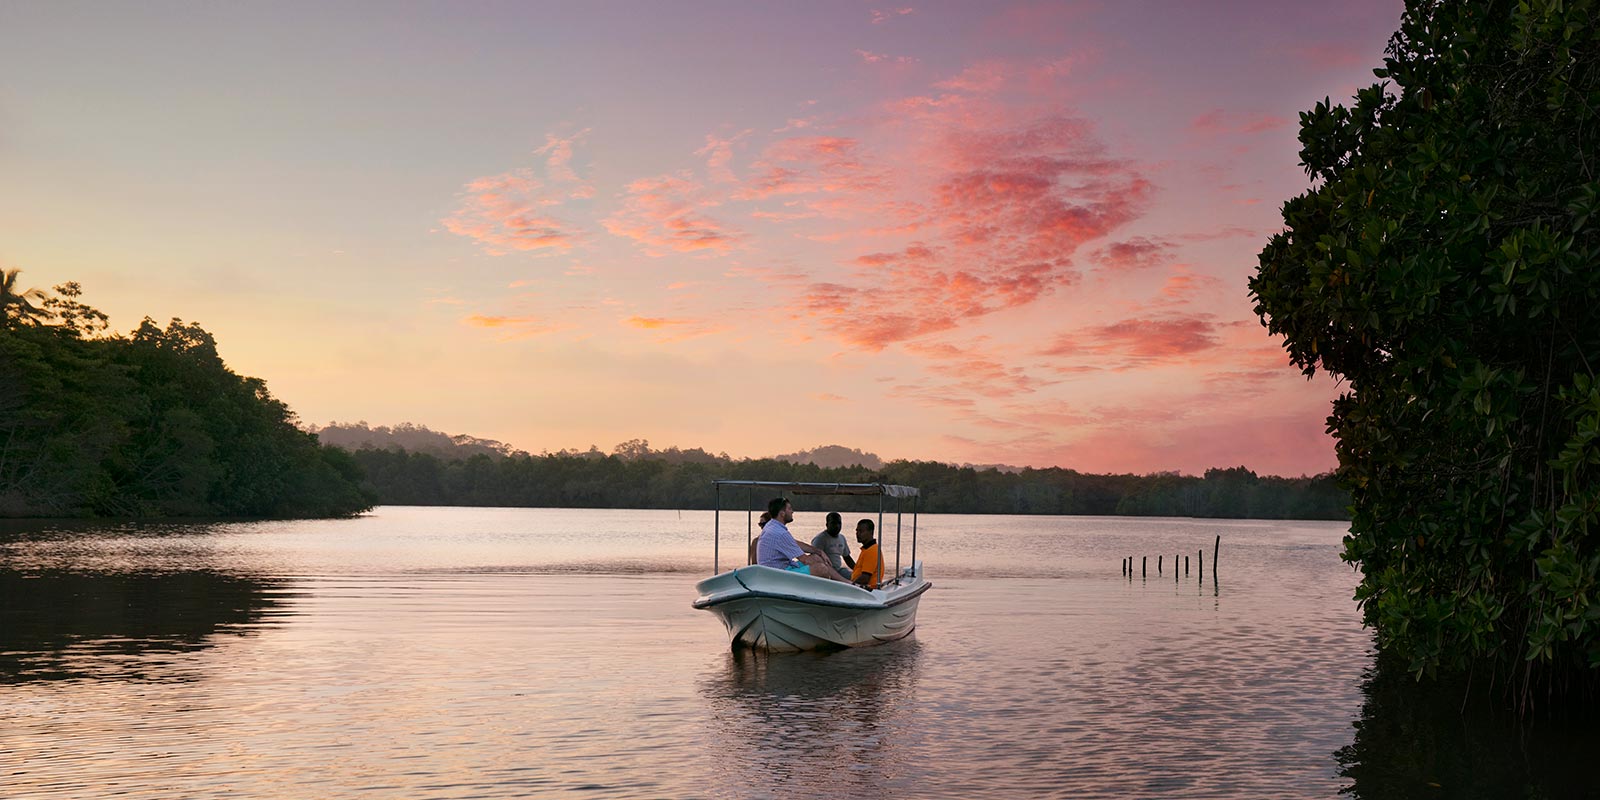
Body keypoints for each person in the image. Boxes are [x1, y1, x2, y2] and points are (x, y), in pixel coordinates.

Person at [754, 497, 849, 581]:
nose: (792, 511)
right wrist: (823, 566)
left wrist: (818, 551)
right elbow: (805, 560)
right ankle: (842, 585)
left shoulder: (772, 526)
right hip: (778, 575)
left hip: (782, 569)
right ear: (782, 514)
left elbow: (794, 543)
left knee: (816, 558)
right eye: (789, 509)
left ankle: (847, 583)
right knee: (821, 569)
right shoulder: (779, 533)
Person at [810, 511, 856, 578]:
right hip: (825, 571)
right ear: (827, 524)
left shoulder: (842, 538)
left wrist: (858, 570)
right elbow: (814, 559)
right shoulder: (820, 539)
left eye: (839, 523)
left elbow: (847, 558)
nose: (837, 526)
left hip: (838, 570)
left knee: (854, 577)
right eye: (833, 523)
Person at [850, 518, 883, 590]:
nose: (858, 534)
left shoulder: (872, 551)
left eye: (861, 531)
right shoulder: (867, 549)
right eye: (857, 531)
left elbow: (865, 579)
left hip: (866, 590)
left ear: (870, 532)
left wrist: (850, 587)